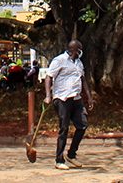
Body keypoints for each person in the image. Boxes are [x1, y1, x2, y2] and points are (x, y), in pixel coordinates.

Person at [44, 40, 93, 171]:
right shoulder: (59, 60)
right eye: (80, 49)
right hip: (62, 98)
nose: (81, 52)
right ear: (75, 50)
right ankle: (58, 160)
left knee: (82, 125)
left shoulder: (79, 63)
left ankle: (71, 154)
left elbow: (83, 80)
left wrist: (89, 97)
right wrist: (48, 95)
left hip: (76, 99)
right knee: (64, 128)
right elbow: (48, 77)